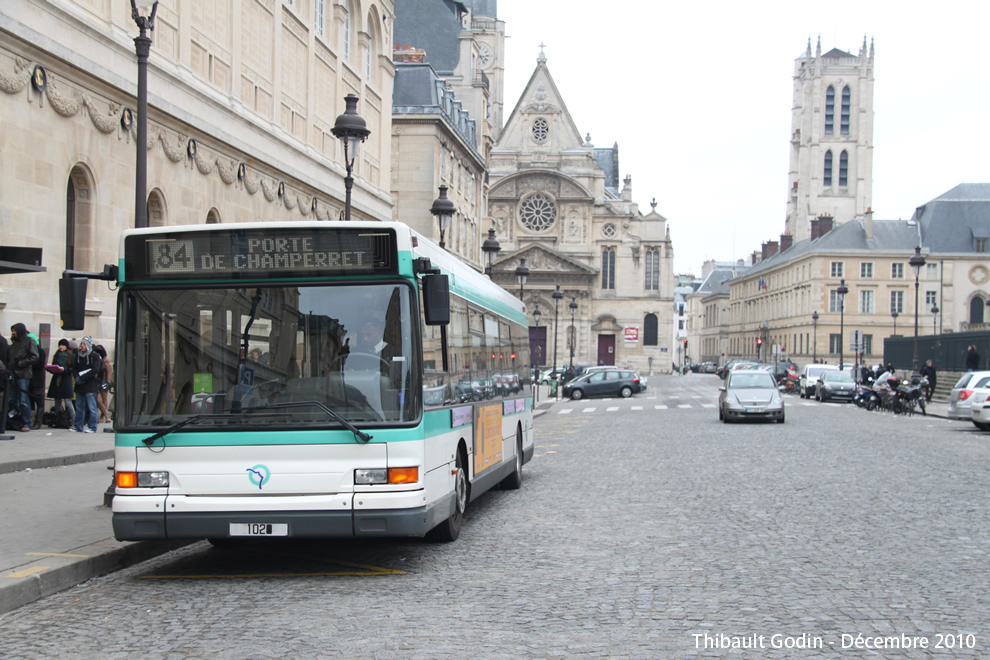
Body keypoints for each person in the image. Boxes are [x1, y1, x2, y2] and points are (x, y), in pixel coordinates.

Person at [8, 323, 39, 432]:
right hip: (13, 373)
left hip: (23, 374)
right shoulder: (15, 342)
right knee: (12, 399)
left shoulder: (29, 341)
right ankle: (15, 420)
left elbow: (35, 356)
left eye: (15, 331)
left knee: (23, 399)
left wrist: (21, 363)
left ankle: (27, 422)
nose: (13, 333)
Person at [71, 336, 104, 433]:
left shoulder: (94, 356)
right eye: (81, 344)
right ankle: (78, 426)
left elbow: (95, 370)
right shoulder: (77, 356)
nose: (82, 346)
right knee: (79, 407)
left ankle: (92, 427)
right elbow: (74, 368)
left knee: (92, 408)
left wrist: (82, 377)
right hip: (80, 385)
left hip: (90, 385)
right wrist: (76, 377)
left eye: (84, 344)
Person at [47, 339, 75, 421]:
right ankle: (59, 419)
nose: (61, 347)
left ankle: (73, 420)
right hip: (57, 380)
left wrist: (64, 370)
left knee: (68, 402)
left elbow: (72, 369)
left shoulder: (71, 356)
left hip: (66, 380)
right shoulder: (57, 354)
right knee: (57, 402)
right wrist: (50, 369)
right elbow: (54, 365)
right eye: (60, 345)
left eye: (62, 345)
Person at [29, 340, 47, 428]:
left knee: (38, 400)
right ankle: (31, 421)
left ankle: (38, 422)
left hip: (37, 379)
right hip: (30, 378)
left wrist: (30, 363)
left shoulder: (40, 351)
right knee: (30, 400)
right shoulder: (28, 350)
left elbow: (40, 365)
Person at [94, 344, 113, 424]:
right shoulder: (101, 360)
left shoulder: (105, 361)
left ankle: (103, 416)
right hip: (99, 381)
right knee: (99, 400)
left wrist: (108, 382)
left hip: (104, 381)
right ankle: (105, 416)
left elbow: (109, 373)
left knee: (104, 400)